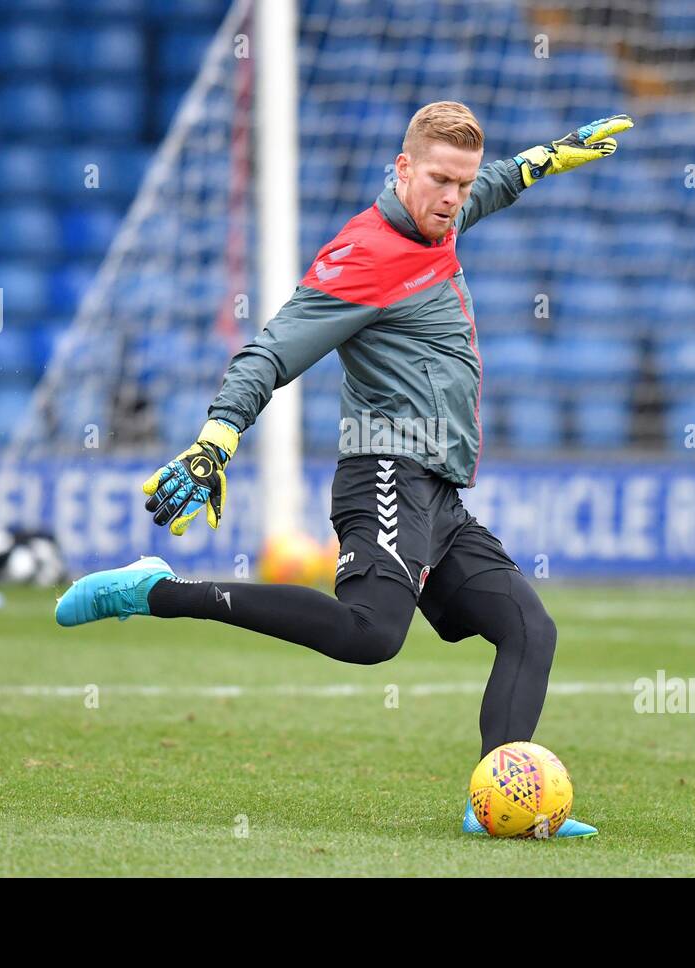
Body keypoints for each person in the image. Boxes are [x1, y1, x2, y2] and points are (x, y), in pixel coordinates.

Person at [56, 101, 633, 838]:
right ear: (401, 171)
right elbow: (271, 349)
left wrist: (545, 158)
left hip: (439, 491)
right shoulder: (361, 255)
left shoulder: (442, 219)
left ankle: (498, 805)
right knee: (370, 635)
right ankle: (156, 591)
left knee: (528, 628)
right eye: (439, 180)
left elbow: (485, 188)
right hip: (386, 468)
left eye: (460, 183)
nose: (454, 198)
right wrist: (216, 440)